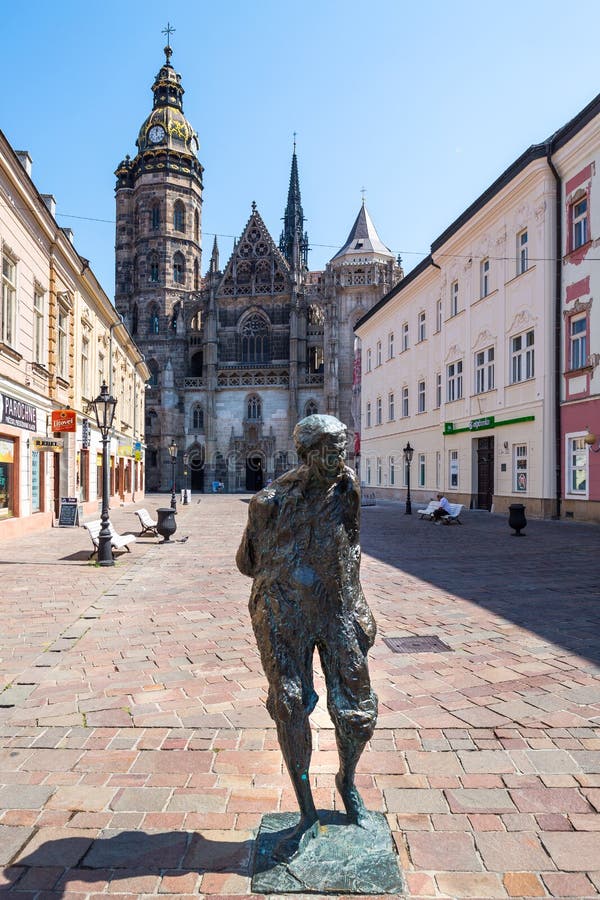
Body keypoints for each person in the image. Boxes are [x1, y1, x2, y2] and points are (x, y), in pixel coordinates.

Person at [236, 414, 378, 859]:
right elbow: (246, 563)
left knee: (357, 712)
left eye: (343, 450)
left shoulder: (347, 487)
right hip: (282, 611)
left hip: (336, 607)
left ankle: (347, 781)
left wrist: (359, 606)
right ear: (307, 454)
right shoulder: (269, 501)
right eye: (331, 452)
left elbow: (352, 545)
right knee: (291, 704)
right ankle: (306, 811)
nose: (339, 460)